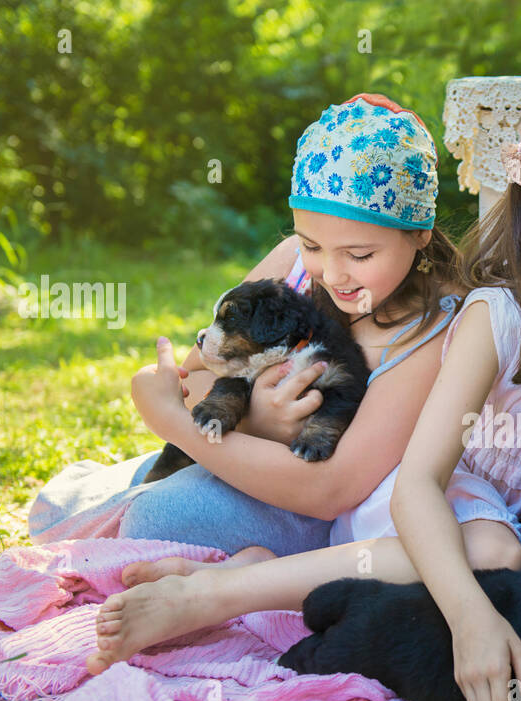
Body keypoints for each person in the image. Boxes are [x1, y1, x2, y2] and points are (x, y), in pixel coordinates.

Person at [91, 81, 521, 701]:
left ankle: (249, 580)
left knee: (514, 567)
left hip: (447, 514)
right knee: (491, 554)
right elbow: (214, 367)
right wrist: (469, 617)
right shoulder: (498, 317)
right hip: (433, 502)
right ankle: (222, 593)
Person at [28, 93, 463, 561]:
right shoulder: (290, 268)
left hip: (311, 508)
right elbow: (195, 375)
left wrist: (175, 423)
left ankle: (213, 562)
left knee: (153, 520)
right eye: (312, 244)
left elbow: (335, 489)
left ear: (420, 232)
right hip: (236, 457)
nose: (331, 274)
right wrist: (254, 417)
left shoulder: (428, 331)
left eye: (359, 255)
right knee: (51, 508)